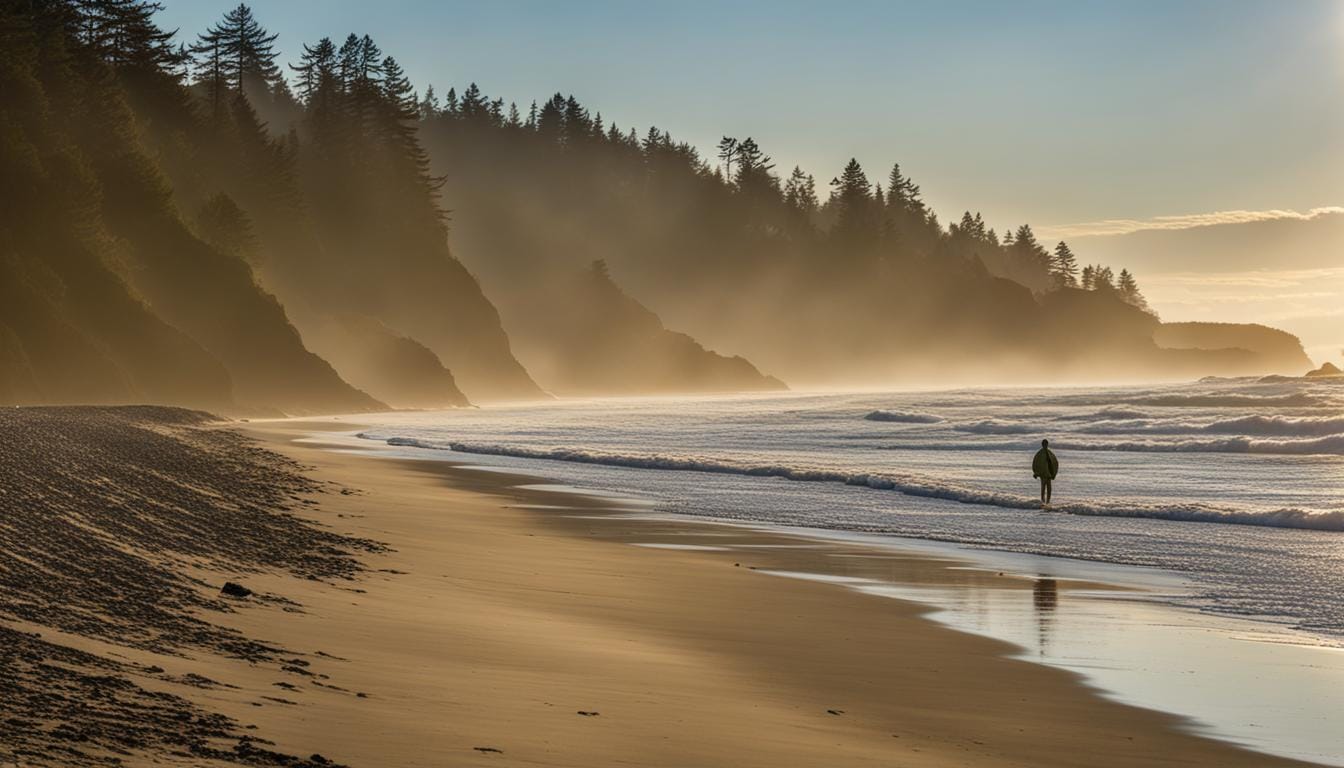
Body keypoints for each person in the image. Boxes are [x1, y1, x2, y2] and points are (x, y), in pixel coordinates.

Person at [1032, 439, 1059, 507]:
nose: (1045, 445)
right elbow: (1035, 463)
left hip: (1049, 473)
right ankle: (1043, 501)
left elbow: (1054, 462)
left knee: (1049, 488)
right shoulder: (1039, 453)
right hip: (1043, 473)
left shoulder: (1050, 453)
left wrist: (1054, 473)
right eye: (1044, 444)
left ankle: (1048, 501)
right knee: (1043, 487)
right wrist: (1036, 473)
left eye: (1046, 444)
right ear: (1042, 444)